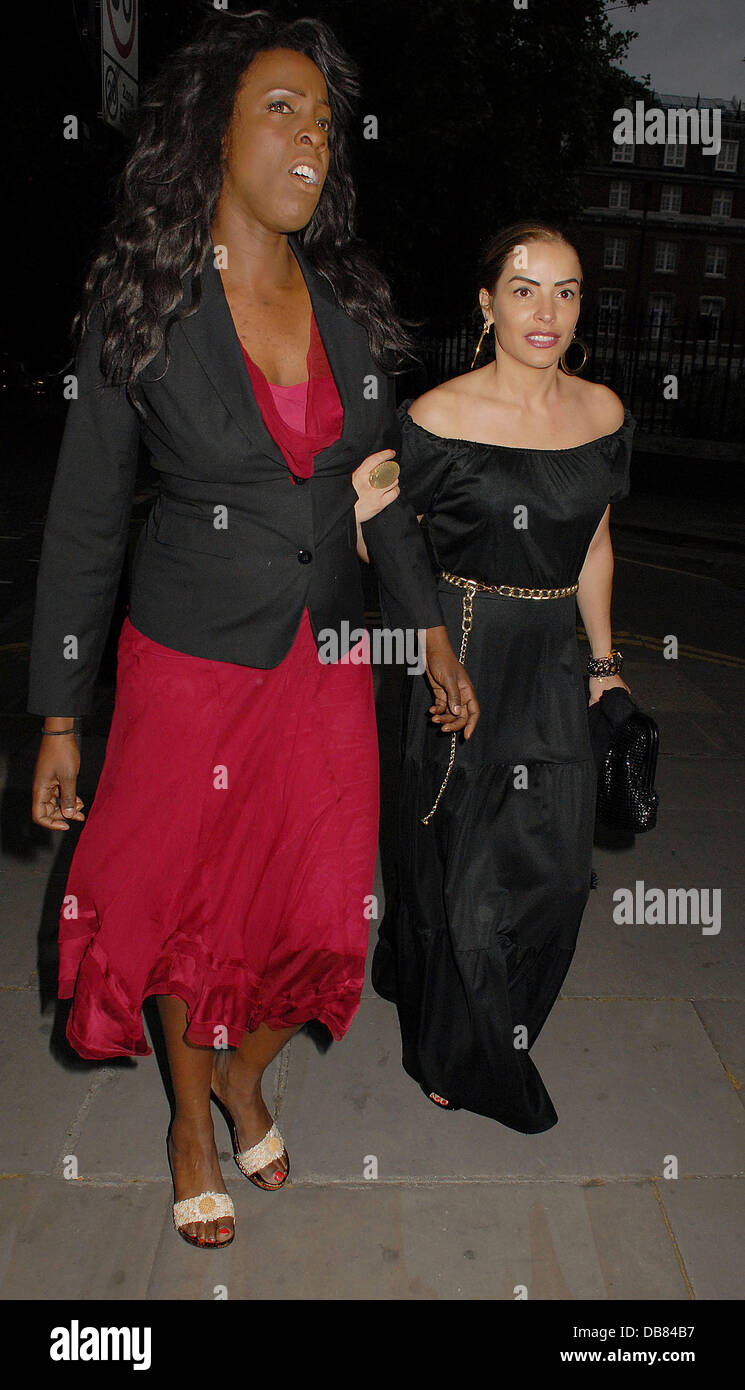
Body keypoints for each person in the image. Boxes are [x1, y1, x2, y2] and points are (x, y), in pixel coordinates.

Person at [28, 9, 478, 1249]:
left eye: (325, 121)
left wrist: (428, 629)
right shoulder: (146, 302)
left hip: (327, 659)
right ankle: (189, 1118)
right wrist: (62, 714)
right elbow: (82, 518)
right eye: (282, 108)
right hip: (188, 662)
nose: (312, 138)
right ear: (213, 133)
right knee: (185, 915)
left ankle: (242, 1070)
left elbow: (377, 490)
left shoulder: (348, 305)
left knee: (326, 913)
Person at [372, 222, 635, 1133]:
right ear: (486, 305)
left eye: (564, 291)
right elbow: (384, 533)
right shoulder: (435, 417)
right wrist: (430, 646)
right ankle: (459, 1052)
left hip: (554, 662)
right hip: (464, 653)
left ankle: (485, 1016)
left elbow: (596, 542)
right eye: (524, 289)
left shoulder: (601, 414)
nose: (546, 311)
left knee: (558, 877)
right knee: (466, 878)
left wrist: (604, 670)